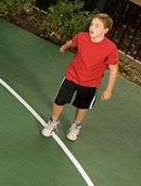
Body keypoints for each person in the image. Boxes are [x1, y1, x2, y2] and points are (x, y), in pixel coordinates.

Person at [41, 13, 119, 141]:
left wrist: (109, 90)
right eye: (92, 24)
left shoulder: (110, 48)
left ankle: (76, 126)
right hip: (72, 76)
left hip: (90, 84)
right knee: (59, 101)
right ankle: (53, 121)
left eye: (97, 26)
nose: (92, 27)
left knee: (82, 106)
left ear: (105, 30)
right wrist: (64, 47)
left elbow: (114, 69)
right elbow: (72, 42)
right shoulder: (82, 37)